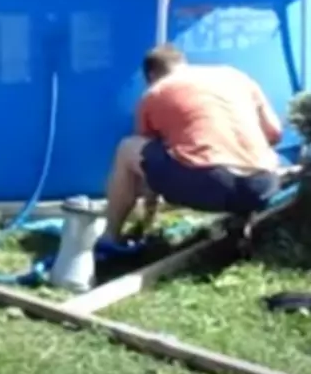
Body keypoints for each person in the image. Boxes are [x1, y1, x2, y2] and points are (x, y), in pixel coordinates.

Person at [99, 45, 283, 247]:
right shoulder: (235, 76)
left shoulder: (156, 92)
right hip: (263, 186)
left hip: (210, 184)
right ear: (182, 62)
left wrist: (148, 217)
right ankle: (241, 217)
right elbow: (274, 133)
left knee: (128, 148)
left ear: (151, 75)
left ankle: (110, 238)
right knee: (243, 157)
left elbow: (145, 163)